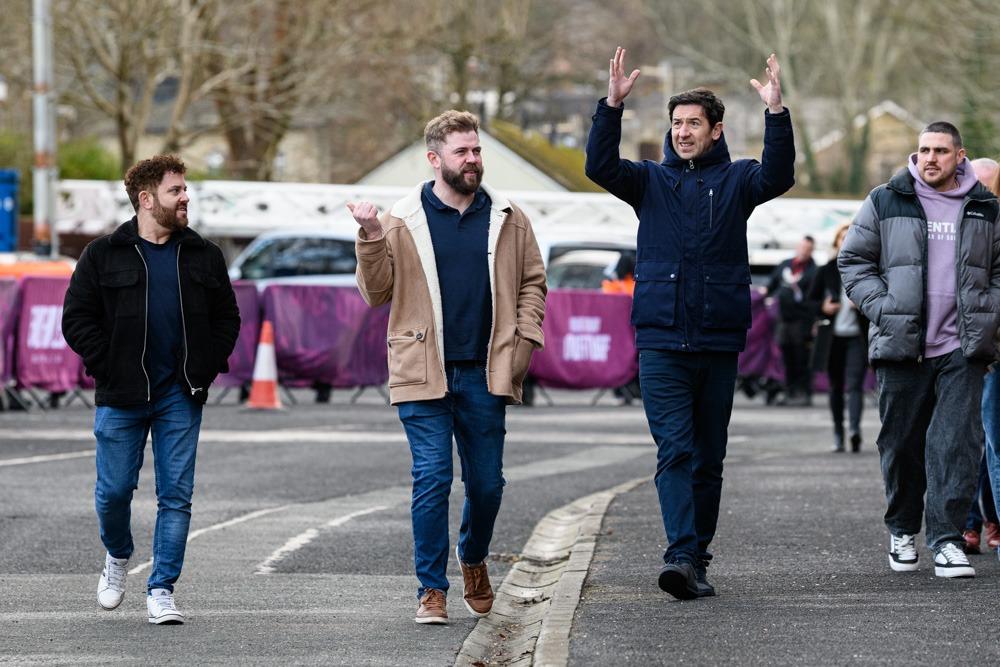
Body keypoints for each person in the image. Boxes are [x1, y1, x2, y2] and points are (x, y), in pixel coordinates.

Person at [585, 48, 795, 599]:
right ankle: (679, 554)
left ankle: (697, 556)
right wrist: (611, 107)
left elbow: (779, 174)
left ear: (716, 130)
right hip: (660, 341)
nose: (682, 132)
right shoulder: (648, 181)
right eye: (676, 123)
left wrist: (776, 114)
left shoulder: (739, 180)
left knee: (708, 459)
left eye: (693, 124)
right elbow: (599, 167)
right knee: (674, 450)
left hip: (718, 341)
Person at [349, 110, 546, 624]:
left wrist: (524, 337)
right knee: (433, 478)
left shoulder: (509, 216)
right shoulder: (400, 219)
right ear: (435, 159)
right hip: (423, 368)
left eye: (477, 150)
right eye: (462, 152)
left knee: (487, 485)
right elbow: (376, 293)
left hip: (486, 371)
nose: (473, 159)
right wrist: (370, 235)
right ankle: (431, 589)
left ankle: (473, 557)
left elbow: (533, 282)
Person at [62, 155, 241, 623]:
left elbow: (227, 318)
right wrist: (107, 365)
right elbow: (76, 319)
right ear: (146, 199)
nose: (186, 197)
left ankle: (161, 588)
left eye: (185, 189)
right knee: (113, 492)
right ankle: (118, 554)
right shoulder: (103, 254)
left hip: (180, 394)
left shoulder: (204, 254)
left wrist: (207, 366)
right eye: (175, 190)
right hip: (121, 394)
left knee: (176, 495)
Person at [839, 123, 1000, 578]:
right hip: (902, 345)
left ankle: (947, 539)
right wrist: (884, 308)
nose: (930, 158)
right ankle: (903, 528)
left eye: (941, 151)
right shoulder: (886, 199)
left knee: (957, 445)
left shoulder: (985, 207)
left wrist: (989, 311)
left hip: (962, 347)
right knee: (901, 445)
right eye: (924, 149)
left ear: (960, 156)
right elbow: (853, 261)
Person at [807, 223, 868, 452]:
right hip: (832, 338)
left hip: (857, 338)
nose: (846, 242)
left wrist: (864, 305)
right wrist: (822, 307)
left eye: (850, 237)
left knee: (855, 386)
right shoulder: (825, 270)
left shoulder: (866, 269)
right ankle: (838, 433)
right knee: (835, 386)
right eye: (842, 238)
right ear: (836, 243)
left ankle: (854, 431)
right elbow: (809, 302)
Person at [969, 157, 1000, 556]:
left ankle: (988, 518)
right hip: (964, 344)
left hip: (992, 349)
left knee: (991, 441)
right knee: (966, 440)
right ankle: (967, 523)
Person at [767, 236, 817, 405]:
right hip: (783, 321)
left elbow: (815, 298)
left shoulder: (813, 271)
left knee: (802, 358)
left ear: (812, 251)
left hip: (802, 322)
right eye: (802, 247)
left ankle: (804, 392)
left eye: (808, 248)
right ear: (797, 247)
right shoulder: (785, 265)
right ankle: (789, 391)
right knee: (786, 357)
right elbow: (771, 285)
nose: (804, 251)